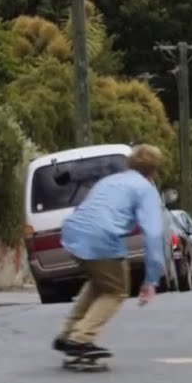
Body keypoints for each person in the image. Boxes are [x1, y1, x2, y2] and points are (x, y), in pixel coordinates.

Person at [52, 144, 167, 357]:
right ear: (154, 171)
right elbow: (152, 233)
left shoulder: (109, 180)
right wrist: (151, 280)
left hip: (73, 233)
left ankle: (67, 333)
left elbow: (86, 207)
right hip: (101, 238)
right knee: (116, 290)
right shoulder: (145, 188)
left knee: (100, 283)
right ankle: (81, 339)